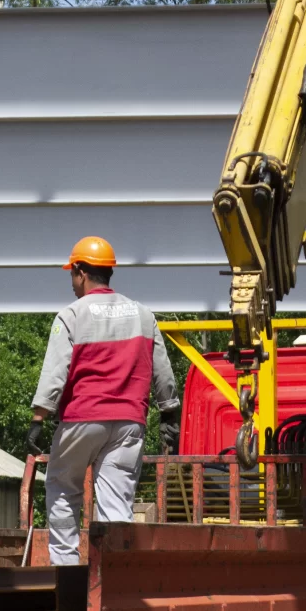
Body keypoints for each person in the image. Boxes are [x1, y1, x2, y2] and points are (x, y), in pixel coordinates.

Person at [27, 236, 180, 564]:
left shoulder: (72, 315)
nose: (71, 283)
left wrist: (38, 418)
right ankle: (114, 582)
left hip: (82, 418)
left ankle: (67, 573)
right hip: (128, 425)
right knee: (116, 506)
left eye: (72, 275)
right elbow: (163, 373)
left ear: (81, 272)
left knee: (63, 490)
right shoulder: (143, 315)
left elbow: (55, 372)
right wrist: (169, 413)